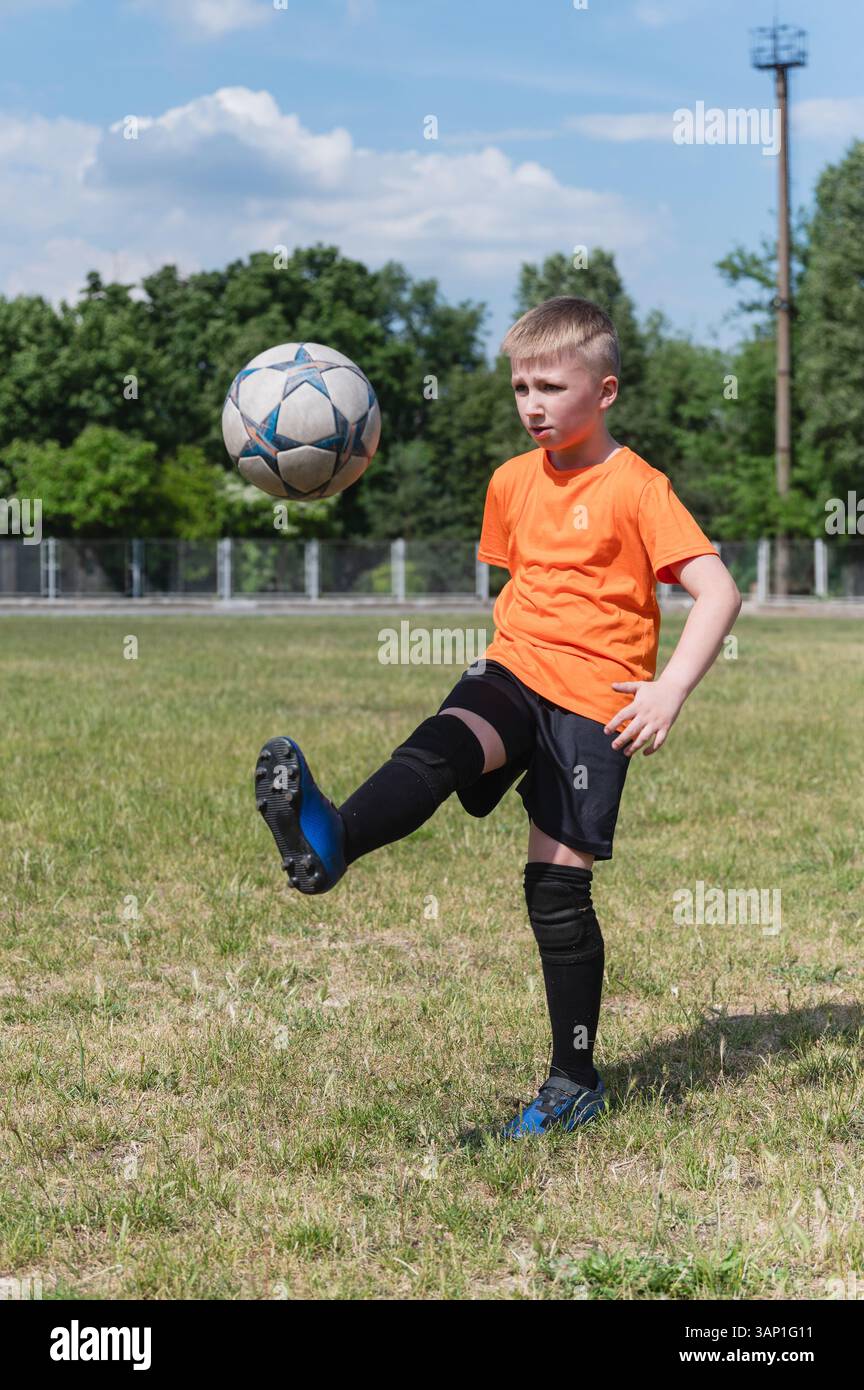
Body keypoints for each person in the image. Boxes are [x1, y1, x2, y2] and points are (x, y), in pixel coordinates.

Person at [253, 296, 743, 1143]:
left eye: (552, 385)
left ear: (607, 390)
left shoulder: (638, 486)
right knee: (444, 743)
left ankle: (574, 1080)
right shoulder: (511, 481)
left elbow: (718, 589)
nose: (533, 404)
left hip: (596, 704)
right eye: (521, 386)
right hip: (515, 669)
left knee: (555, 892)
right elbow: (523, 585)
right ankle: (331, 838)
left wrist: (669, 690)